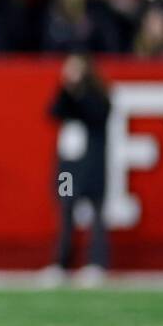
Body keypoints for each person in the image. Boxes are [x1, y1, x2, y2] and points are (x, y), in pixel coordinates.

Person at [45, 51, 111, 285]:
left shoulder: (98, 95)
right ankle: (63, 263)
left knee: (96, 214)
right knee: (66, 210)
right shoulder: (67, 96)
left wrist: (80, 92)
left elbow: (95, 113)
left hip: (91, 164)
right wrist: (67, 89)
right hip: (69, 165)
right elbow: (53, 111)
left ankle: (97, 263)